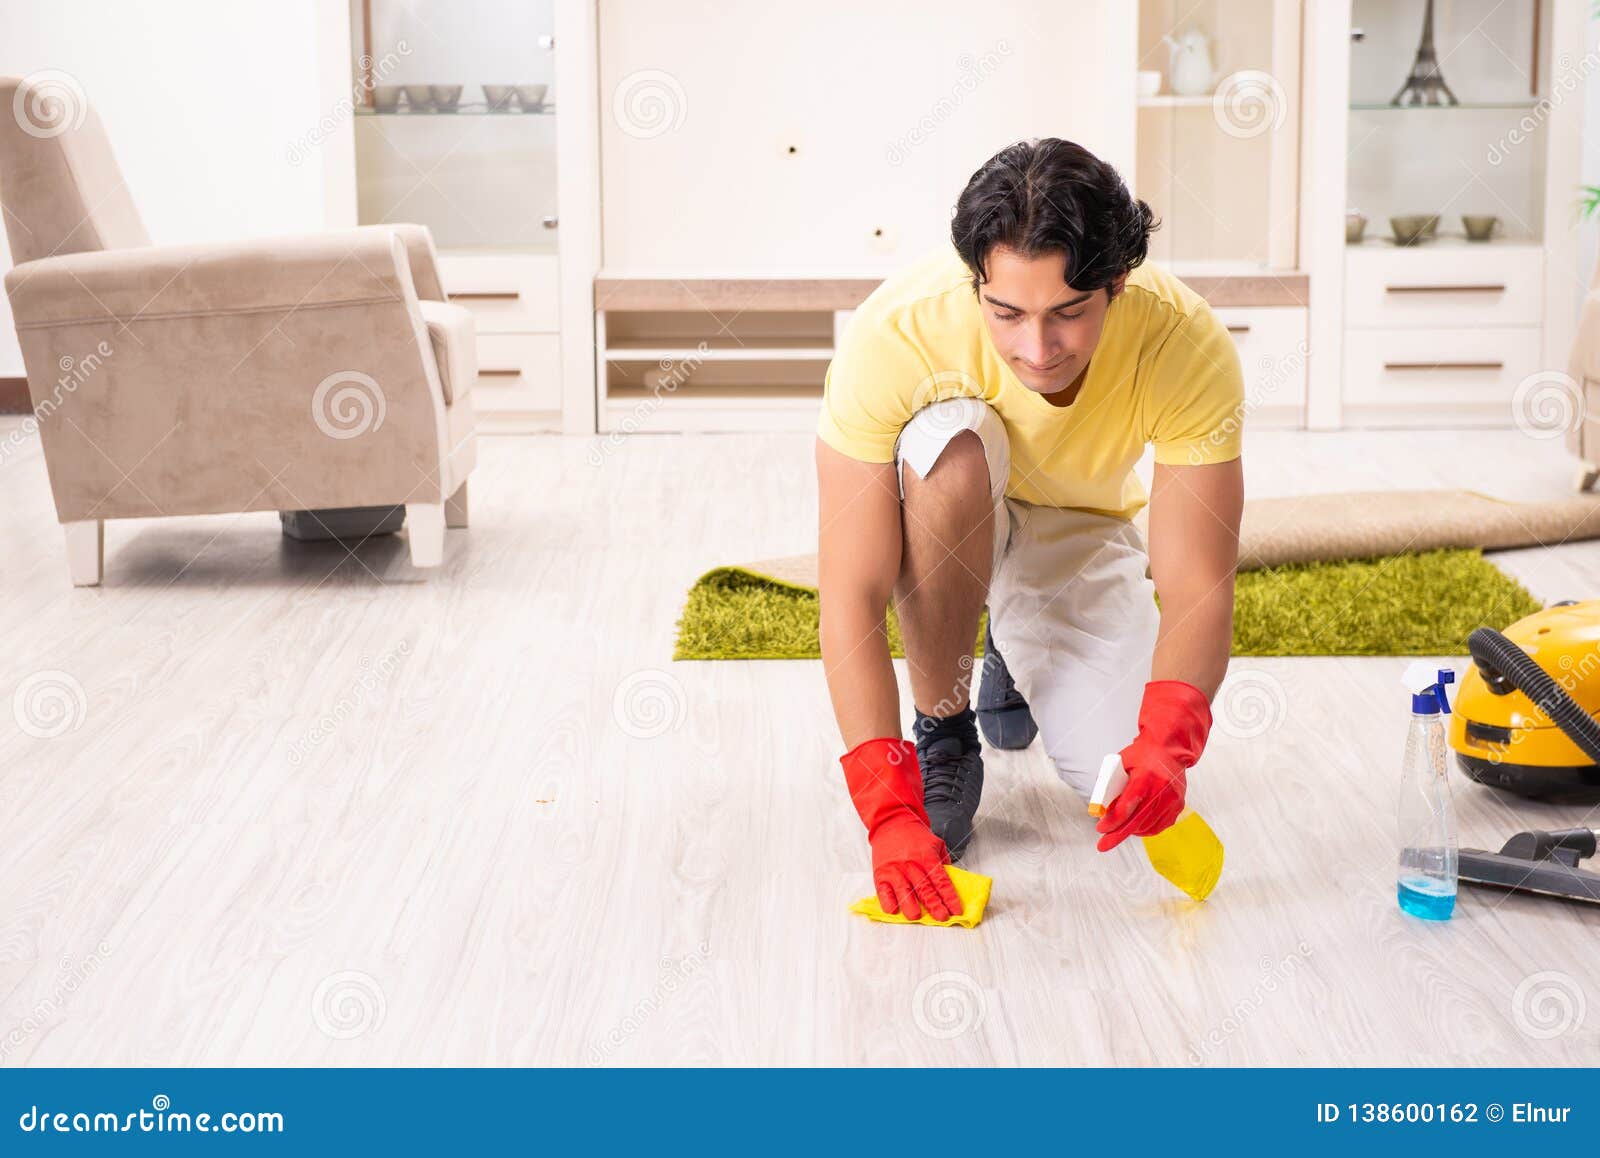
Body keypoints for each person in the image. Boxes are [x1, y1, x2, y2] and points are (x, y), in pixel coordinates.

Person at [816, 138, 1245, 922]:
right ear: (975, 281)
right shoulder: (896, 333)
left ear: (1116, 284)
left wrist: (1169, 739)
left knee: (1112, 775)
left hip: (1075, 528)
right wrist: (888, 806)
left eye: (1069, 314)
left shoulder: (1185, 342)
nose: (1036, 349)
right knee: (951, 440)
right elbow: (851, 589)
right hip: (956, 494)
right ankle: (947, 725)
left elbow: (1198, 579)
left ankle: (1010, 652)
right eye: (1006, 313)